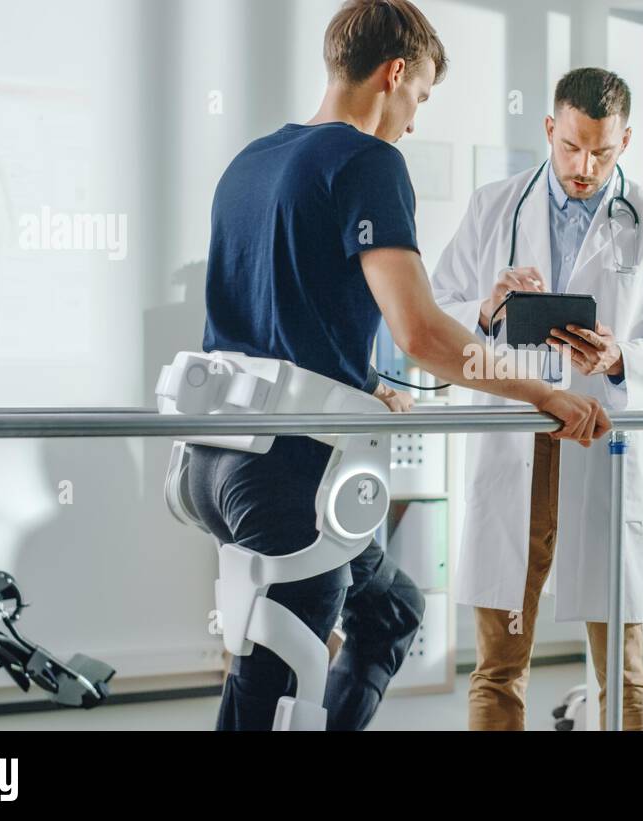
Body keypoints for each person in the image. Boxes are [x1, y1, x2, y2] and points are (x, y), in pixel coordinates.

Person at [189, 0, 610, 732]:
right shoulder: (369, 161)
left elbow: (273, 320)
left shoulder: (251, 161)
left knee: (389, 612)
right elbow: (421, 333)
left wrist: (363, 383)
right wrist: (543, 393)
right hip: (289, 472)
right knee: (273, 682)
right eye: (419, 96)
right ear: (394, 73)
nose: (413, 120)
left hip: (212, 460)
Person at [433, 68, 643, 730]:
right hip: (513, 441)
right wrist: (486, 305)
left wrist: (625, 359)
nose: (584, 166)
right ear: (549, 129)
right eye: (571, 147)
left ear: (627, 140)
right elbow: (437, 314)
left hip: (603, 440)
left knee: (626, 669)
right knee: (498, 667)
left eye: (603, 151)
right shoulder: (493, 207)